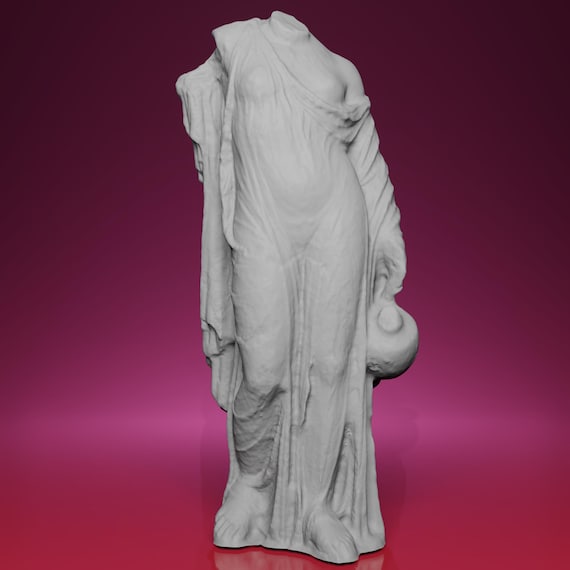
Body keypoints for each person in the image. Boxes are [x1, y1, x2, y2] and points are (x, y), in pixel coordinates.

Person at [176, 11, 417, 564]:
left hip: (337, 220)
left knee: (330, 368)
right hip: (261, 220)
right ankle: (251, 486)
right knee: (261, 368)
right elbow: (198, 90)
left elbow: (368, 162)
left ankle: (317, 507)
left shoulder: (340, 69)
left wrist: (388, 247)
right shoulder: (239, 41)